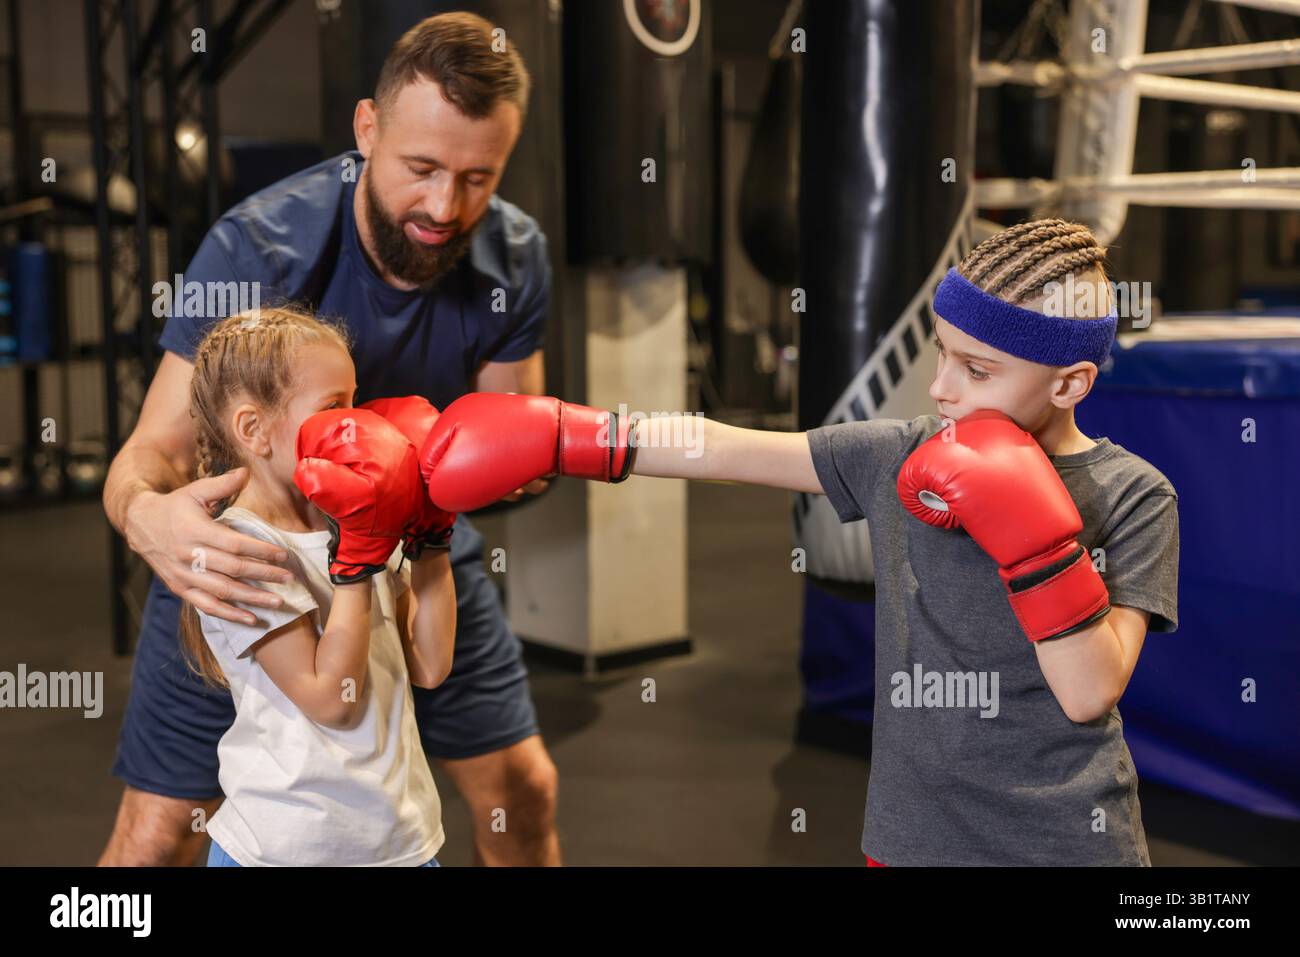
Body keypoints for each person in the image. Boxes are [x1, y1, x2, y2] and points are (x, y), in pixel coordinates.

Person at [423, 219, 1181, 866]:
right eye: (940, 352)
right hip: (916, 834)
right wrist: (573, 436)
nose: (943, 387)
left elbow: (1089, 690)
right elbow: (726, 449)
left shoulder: (1134, 495)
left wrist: (1036, 538)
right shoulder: (902, 453)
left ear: (1071, 382)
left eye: (978, 369)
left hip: (1065, 841)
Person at [100, 12, 561, 866]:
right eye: (421, 168)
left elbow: (511, 443)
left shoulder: (515, 256)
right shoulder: (257, 246)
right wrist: (146, 519)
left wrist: (461, 478)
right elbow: (152, 451)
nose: (443, 205)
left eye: (477, 178)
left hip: (413, 538)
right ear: (367, 127)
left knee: (522, 791)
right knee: (158, 832)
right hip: (251, 553)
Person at [181, 308, 454, 867]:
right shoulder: (239, 551)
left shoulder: (353, 510)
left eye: (356, 401)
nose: (358, 424)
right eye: (334, 408)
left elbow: (430, 664)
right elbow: (333, 699)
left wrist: (432, 538)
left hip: (401, 841)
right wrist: (355, 562)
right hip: (289, 851)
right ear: (254, 430)